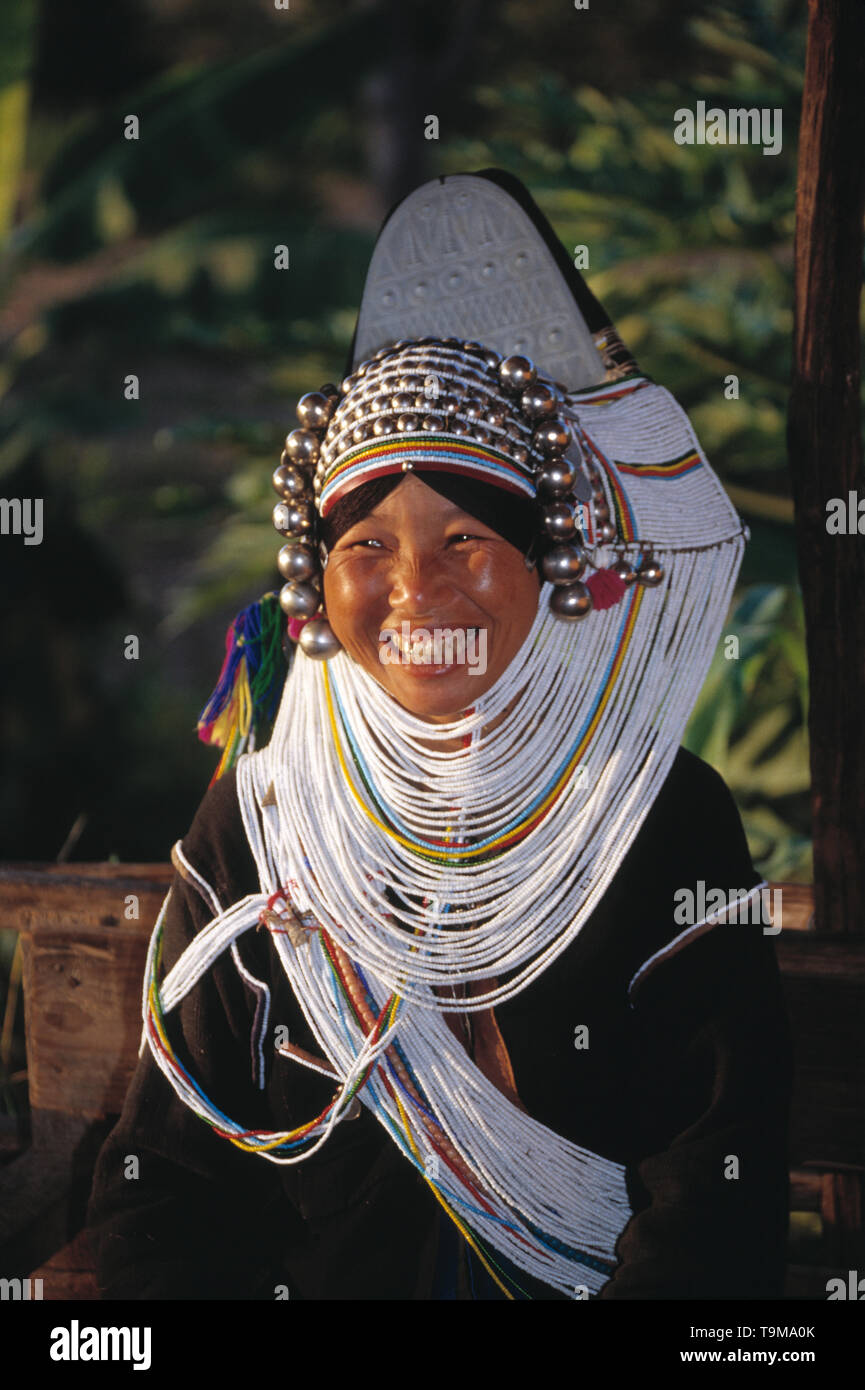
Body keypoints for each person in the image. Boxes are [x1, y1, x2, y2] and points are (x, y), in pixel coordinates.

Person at [87, 170, 792, 1300]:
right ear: (316, 581)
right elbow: (161, 1192)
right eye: (366, 548)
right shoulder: (264, 824)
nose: (415, 591)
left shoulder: (658, 819)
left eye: (464, 540)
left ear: (546, 563)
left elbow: (714, 1199)